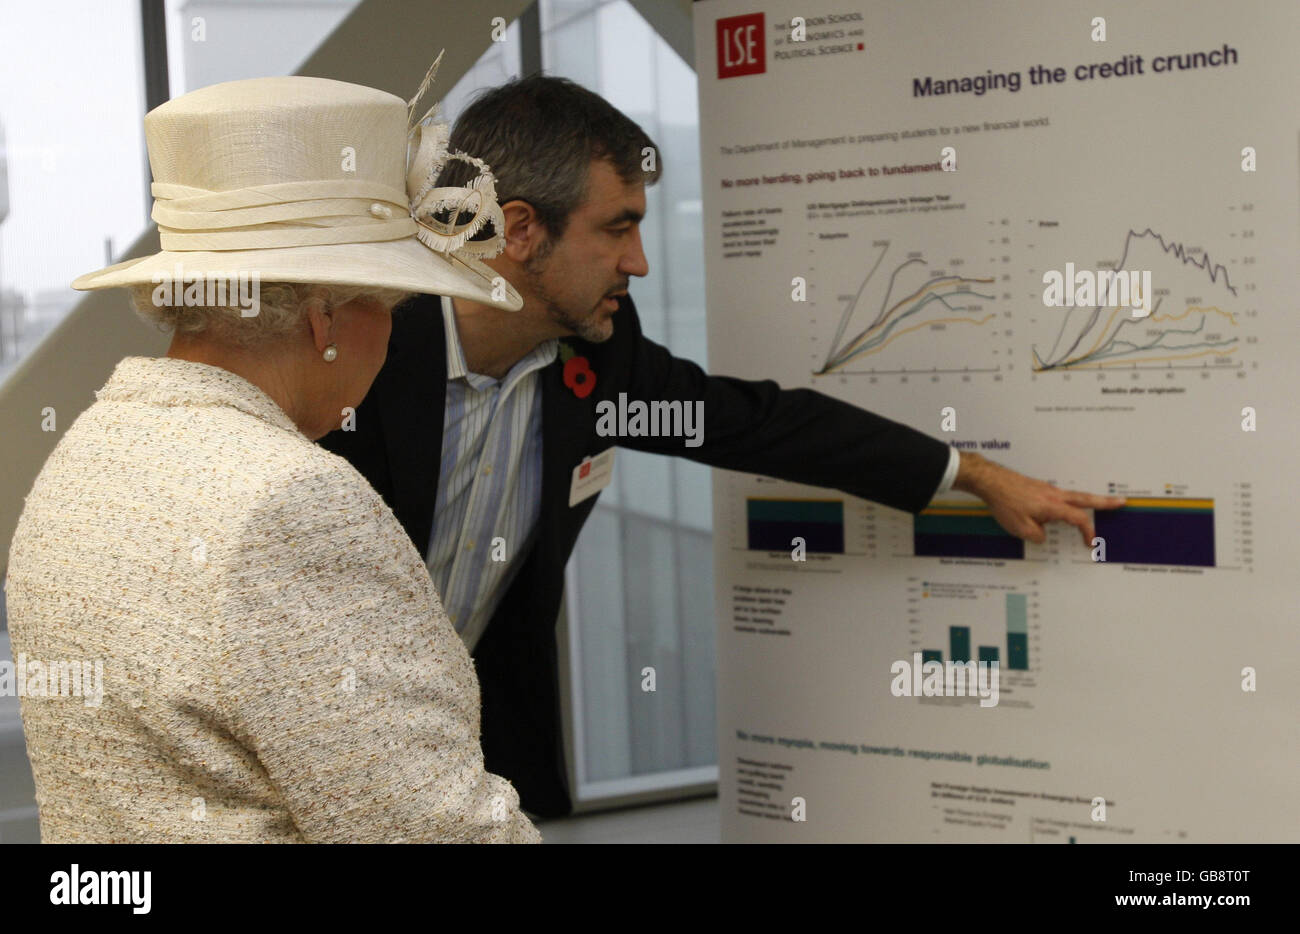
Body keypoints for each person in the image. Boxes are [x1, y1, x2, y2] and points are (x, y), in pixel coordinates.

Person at [319, 74, 1125, 819]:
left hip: (461, 765)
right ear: (522, 230)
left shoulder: (599, 360)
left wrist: (971, 474)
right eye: (619, 228)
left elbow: (759, 424)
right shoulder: (356, 356)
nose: (638, 261)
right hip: (308, 741)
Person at [4, 67, 540, 842]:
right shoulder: (294, 503)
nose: (393, 337)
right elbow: (429, 828)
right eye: (390, 305)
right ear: (325, 319)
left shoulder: (84, 455)